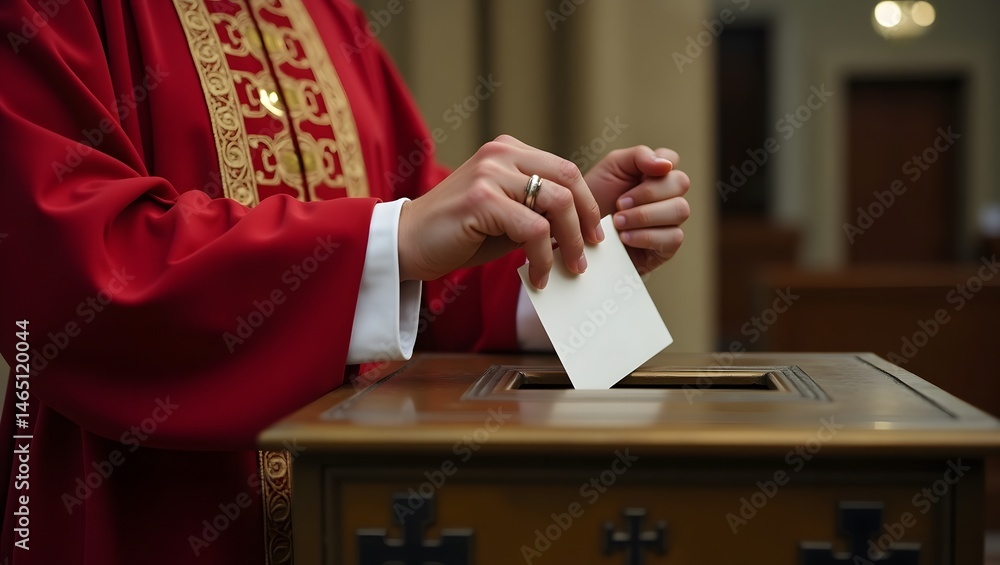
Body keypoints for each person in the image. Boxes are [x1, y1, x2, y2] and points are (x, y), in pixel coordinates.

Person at [0, 0, 690, 563]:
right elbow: (71, 266)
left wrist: (573, 248)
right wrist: (392, 239)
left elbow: (424, 277)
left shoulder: (326, 14)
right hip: (145, 523)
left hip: (356, 524)